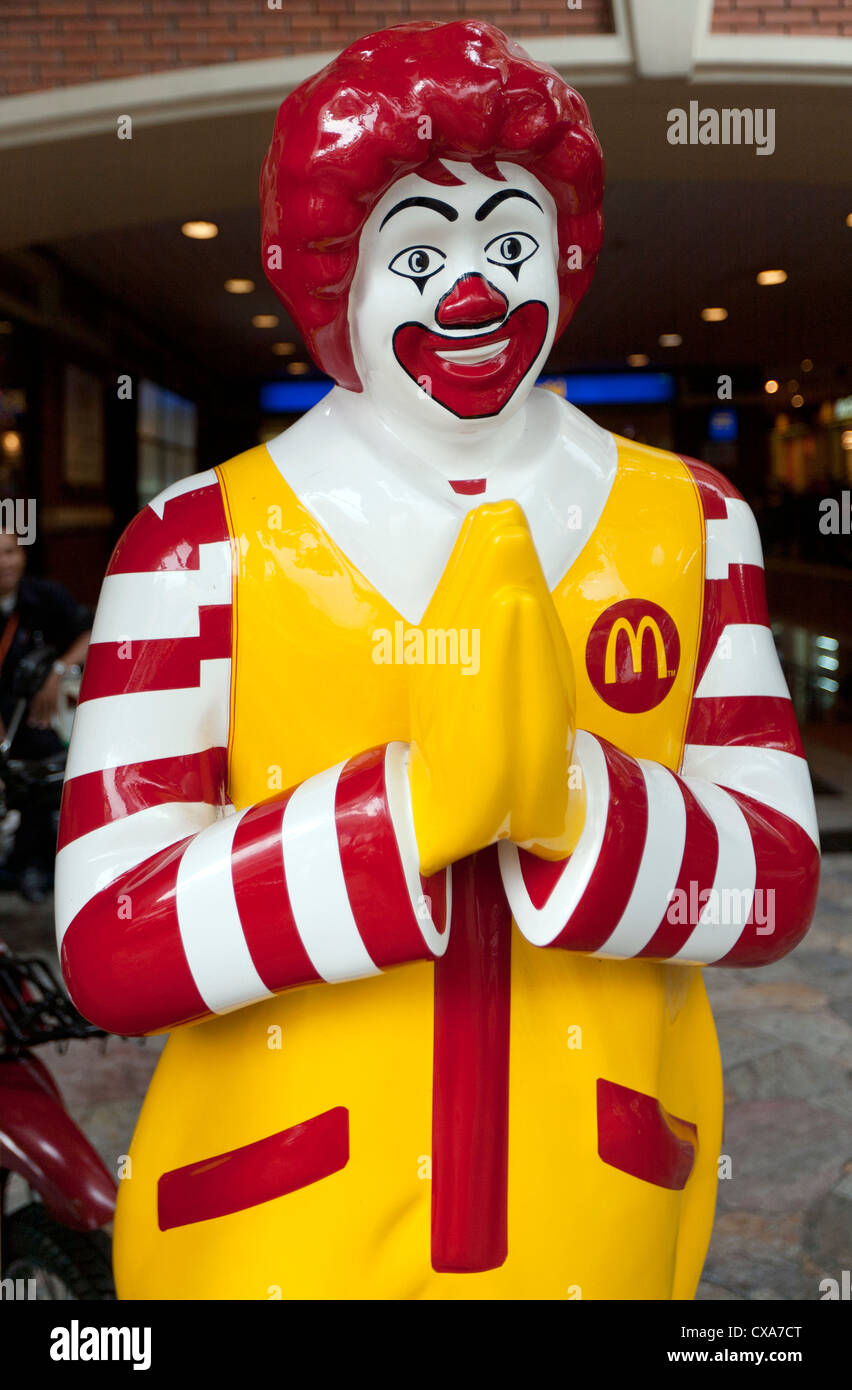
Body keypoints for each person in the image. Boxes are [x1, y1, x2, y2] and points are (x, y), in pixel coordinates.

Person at [55, 22, 818, 1299]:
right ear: (332, 282)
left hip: (601, 1208)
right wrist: (401, 815)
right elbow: (107, 939)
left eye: (509, 244)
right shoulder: (192, 545)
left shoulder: (696, 523)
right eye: (419, 253)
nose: (474, 292)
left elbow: (774, 883)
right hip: (279, 1219)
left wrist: (576, 801)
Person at [0, 527, 91, 902]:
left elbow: (87, 634)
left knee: (46, 769)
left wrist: (57, 671)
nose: (3, 562)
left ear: (22, 555)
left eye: (9, 552)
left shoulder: (44, 596)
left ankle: (33, 863)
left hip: (32, 715)